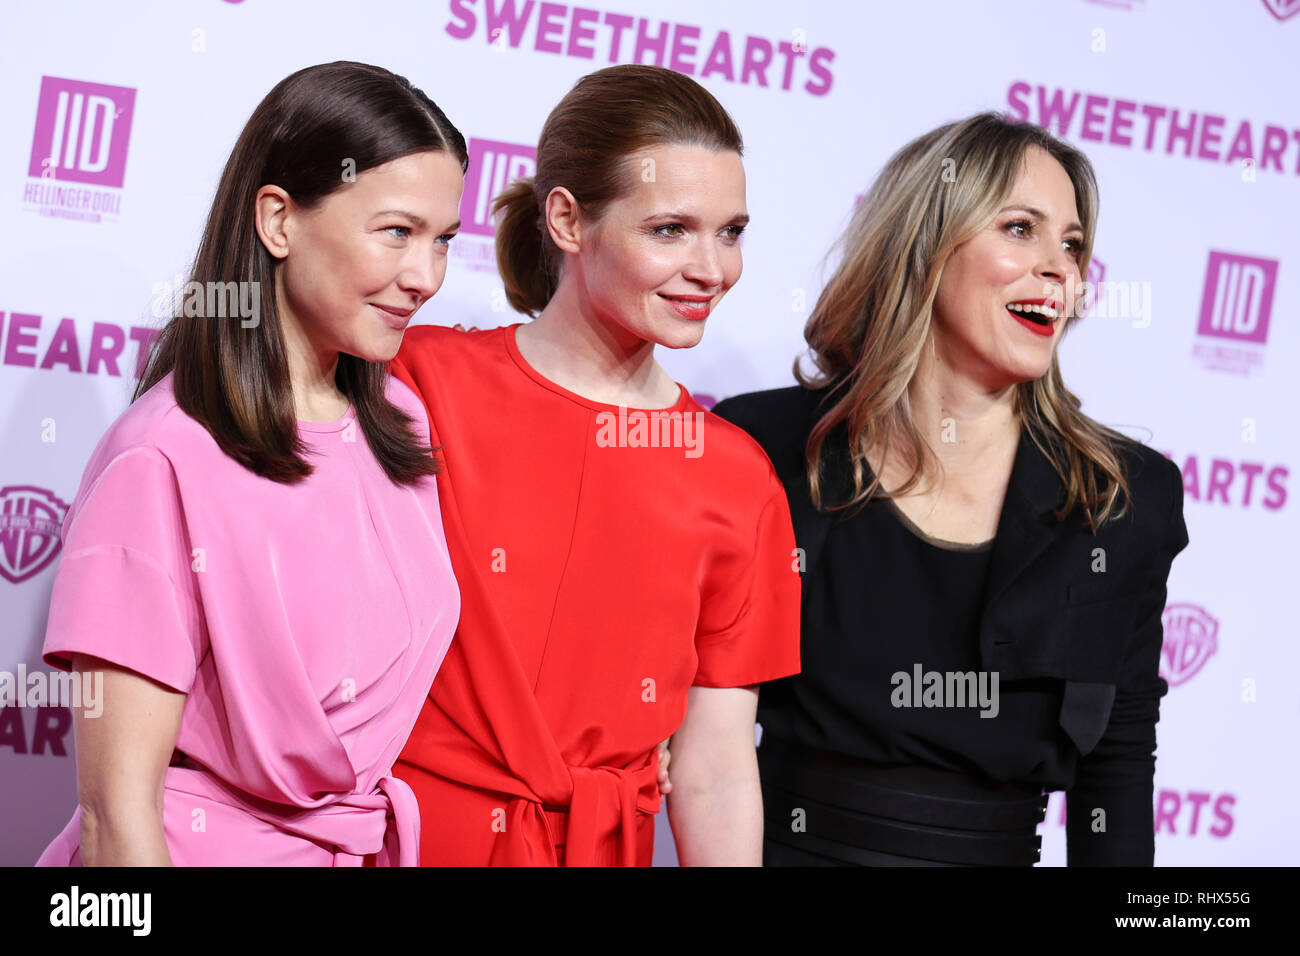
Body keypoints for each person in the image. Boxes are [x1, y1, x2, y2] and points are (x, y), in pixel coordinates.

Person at [712, 112, 1189, 866]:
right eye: (1020, 228)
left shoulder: (1120, 496)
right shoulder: (764, 446)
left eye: (1072, 244)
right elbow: (696, 729)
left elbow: (1117, 770)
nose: (1059, 267)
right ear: (927, 244)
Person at [35, 61, 466, 866]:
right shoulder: (162, 458)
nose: (426, 277)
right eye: (398, 232)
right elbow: (114, 822)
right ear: (278, 221)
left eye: (443, 241)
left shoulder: (399, 421)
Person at [389, 64, 802, 866]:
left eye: (732, 231)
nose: (713, 269)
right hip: (398, 838)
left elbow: (714, 767)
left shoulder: (738, 476)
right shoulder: (420, 381)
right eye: (670, 229)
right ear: (569, 220)